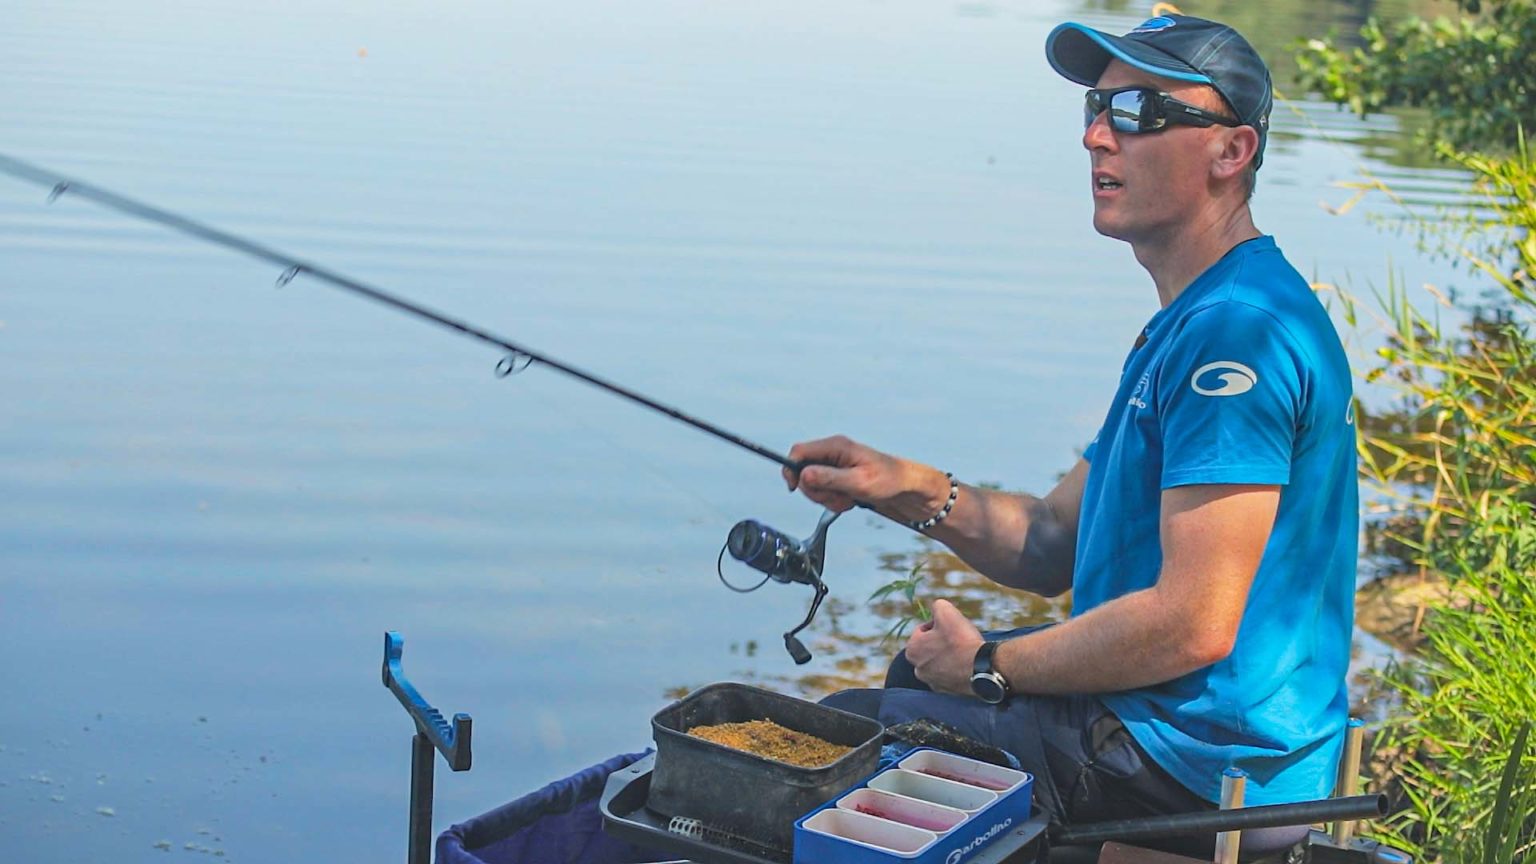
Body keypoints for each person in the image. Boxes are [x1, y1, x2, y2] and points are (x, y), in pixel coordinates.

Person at [785, 13, 1358, 838]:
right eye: (1096, 107)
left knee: (836, 742)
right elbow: (1053, 540)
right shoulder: (1198, 318)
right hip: (1175, 733)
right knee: (909, 679)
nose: (1096, 136)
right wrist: (900, 488)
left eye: (1138, 112)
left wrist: (987, 665)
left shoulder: (1235, 335)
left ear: (1231, 151)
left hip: (1200, 765)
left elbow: (1193, 621)